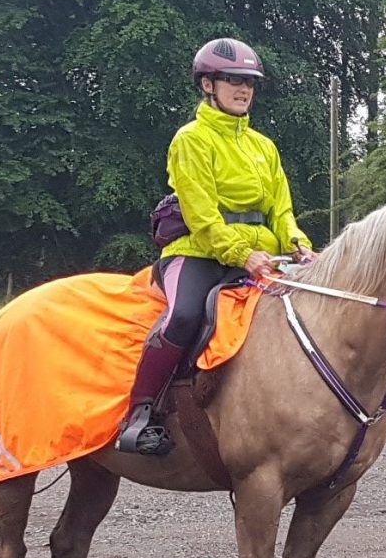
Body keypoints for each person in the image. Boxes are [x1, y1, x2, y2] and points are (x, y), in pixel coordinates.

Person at [116, 37, 315, 455]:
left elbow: (282, 210)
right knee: (184, 316)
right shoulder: (190, 139)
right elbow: (202, 217)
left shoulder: (265, 147)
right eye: (232, 80)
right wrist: (243, 254)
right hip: (197, 253)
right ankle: (140, 413)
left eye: (250, 83)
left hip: (259, 258)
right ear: (208, 84)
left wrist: (298, 244)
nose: (244, 90)